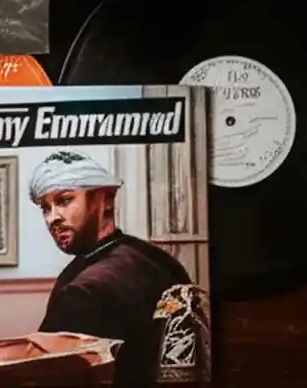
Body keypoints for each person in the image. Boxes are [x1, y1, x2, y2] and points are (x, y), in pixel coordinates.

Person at [29, 150, 192, 388]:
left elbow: (46, 376)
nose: (52, 218)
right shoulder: (156, 258)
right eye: (45, 207)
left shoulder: (85, 291)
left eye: (64, 200)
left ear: (104, 200)